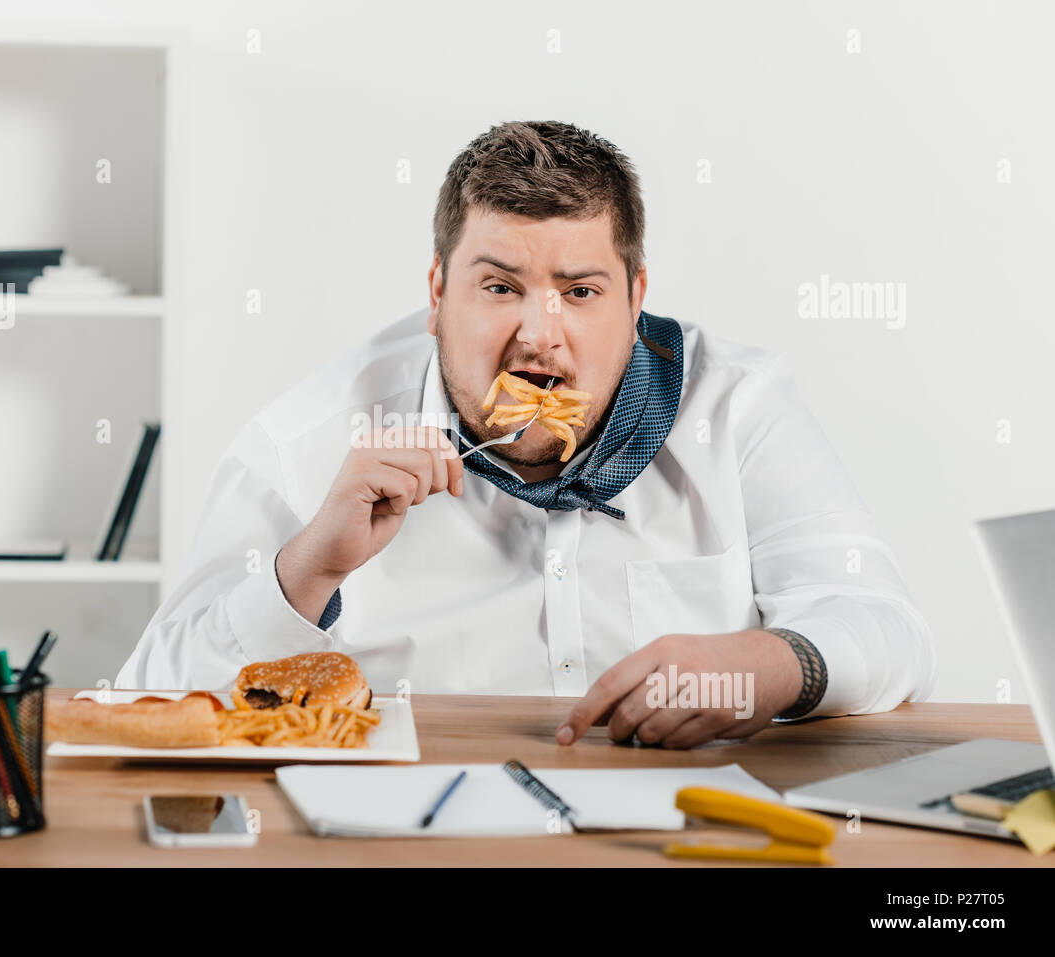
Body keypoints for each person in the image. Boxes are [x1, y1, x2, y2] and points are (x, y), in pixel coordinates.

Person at [116, 120, 935, 749]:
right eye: (501, 286)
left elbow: (890, 630)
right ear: (437, 291)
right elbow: (136, 703)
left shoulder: (738, 407)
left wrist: (772, 664)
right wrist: (305, 571)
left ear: (636, 294)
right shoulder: (308, 440)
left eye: (579, 291)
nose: (541, 336)